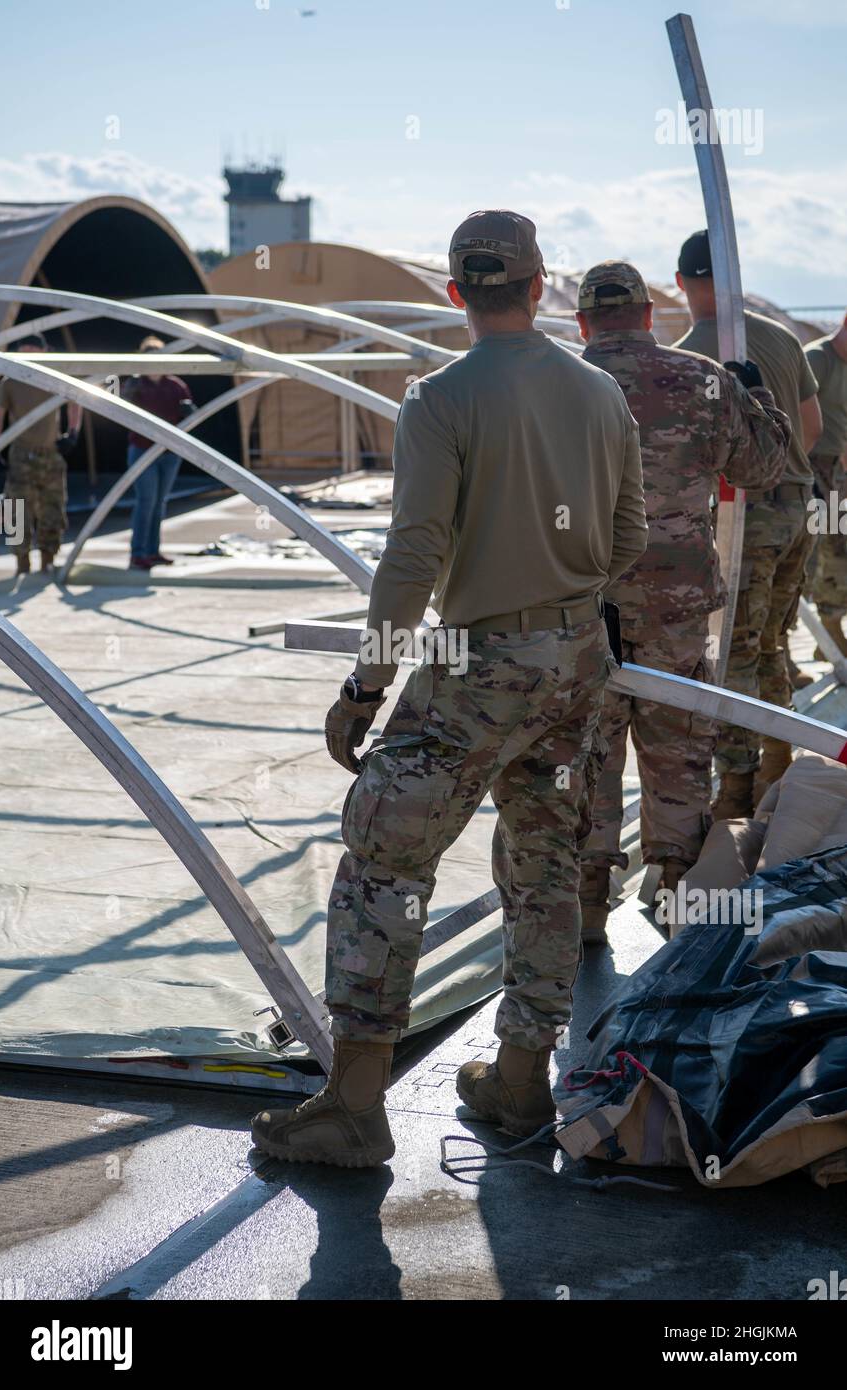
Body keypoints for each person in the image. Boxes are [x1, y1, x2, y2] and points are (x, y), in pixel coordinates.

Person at [251, 209, 648, 1167]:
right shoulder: (600, 394)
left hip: (481, 665)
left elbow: (413, 555)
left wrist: (366, 684)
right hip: (578, 661)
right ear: (540, 284)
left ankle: (355, 1103)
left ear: (454, 291)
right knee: (546, 859)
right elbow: (630, 536)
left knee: (385, 855)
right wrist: (564, 588)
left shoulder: (440, 399)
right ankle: (521, 1078)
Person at [574, 261, 790, 940]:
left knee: (588, 753)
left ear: (582, 323)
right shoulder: (701, 378)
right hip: (676, 606)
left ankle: (586, 903)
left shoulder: (558, 383)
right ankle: (675, 894)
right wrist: (757, 397)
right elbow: (763, 466)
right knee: (678, 755)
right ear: (647, 315)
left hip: (584, 610)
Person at [674, 231, 822, 813]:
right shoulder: (782, 338)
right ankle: (778, 764)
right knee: (771, 643)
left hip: (744, 516)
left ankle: (738, 787)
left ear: (683, 282)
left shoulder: (688, 356)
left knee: (733, 651)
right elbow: (809, 426)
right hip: (797, 507)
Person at [0, 335, 82, 574]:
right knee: (18, 510)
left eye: (33, 349)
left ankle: (48, 559)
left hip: (50, 452)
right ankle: (22, 562)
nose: (28, 353)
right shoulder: (10, 381)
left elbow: (75, 400)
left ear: (44, 350)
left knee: (53, 507)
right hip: (21, 455)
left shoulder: (54, 376)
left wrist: (72, 433)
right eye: (24, 349)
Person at [121, 336, 194, 569]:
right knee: (146, 501)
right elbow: (121, 410)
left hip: (169, 453)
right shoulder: (136, 384)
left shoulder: (176, 386)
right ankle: (138, 553)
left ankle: (153, 551)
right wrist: (128, 394)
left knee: (160, 502)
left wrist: (189, 411)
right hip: (142, 450)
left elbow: (192, 416)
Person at [805, 311, 847, 655]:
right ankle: (822, 629)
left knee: (839, 547)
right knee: (814, 551)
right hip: (811, 468)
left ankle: (830, 630)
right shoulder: (817, 359)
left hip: (838, 469)